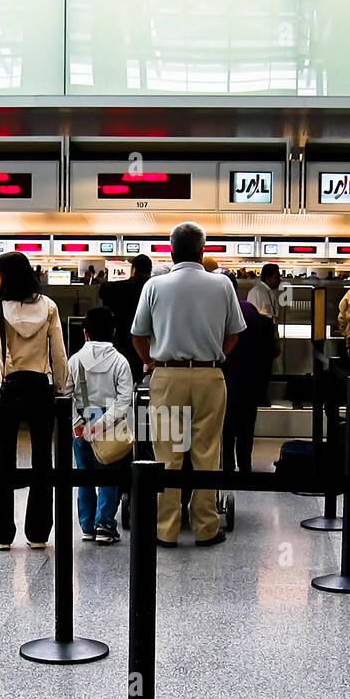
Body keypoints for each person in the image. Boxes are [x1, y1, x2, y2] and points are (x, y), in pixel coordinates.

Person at [130, 221, 246, 548]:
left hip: (167, 376)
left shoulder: (155, 285)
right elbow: (235, 332)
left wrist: (152, 361)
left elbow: (138, 334)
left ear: (170, 250)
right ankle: (206, 527)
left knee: (167, 453)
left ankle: (166, 529)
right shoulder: (222, 284)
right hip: (210, 376)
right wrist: (216, 356)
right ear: (202, 250)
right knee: (207, 453)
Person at [0, 250, 68, 550]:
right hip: (41, 388)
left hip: (7, 388)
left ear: (6, 276)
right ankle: (38, 532)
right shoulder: (48, 307)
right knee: (43, 460)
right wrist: (60, 386)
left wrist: (3, 378)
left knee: (4, 460)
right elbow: (58, 353)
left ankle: (2, 534)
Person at [68, 306, 133, 545]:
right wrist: (103, 423)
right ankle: (104, 524)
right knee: (109, 474)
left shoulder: (74, 360)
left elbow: (66, 395)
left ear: (85, 333)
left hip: (80, 423)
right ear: (114, 332)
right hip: (110, 424)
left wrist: (78, 423)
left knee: (84, 475)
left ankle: (86, 526)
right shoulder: (120, 362)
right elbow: (124, 398)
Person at [222, 288, 275, 473]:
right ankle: (245, 467)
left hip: (227, 379)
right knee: (246, 428)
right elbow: (266, 348)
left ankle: (227, 466)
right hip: (250, 380)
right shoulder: (251, 310)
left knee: (226, 428)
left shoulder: (221, 311)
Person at [99, 253, 152, 380]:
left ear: (133, 269)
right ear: (150, 271)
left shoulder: (117, 287)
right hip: (148, 345)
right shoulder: (154, 288)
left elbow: (103, 290)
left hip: (122, 343)